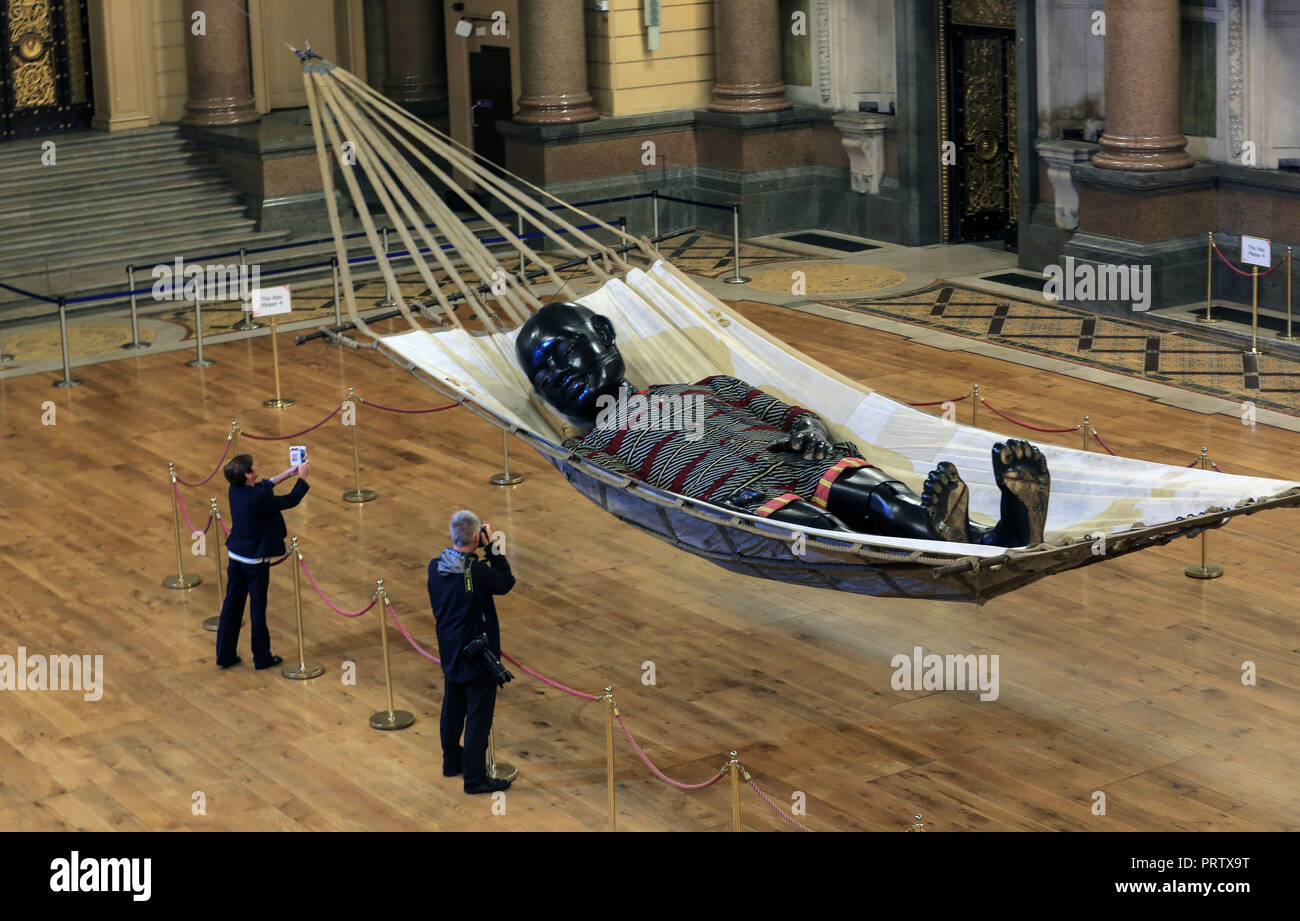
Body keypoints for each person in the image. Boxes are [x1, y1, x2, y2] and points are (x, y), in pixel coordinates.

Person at [515, 302, 1051, 547]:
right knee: (822, 535)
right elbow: (625, 491)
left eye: (565, 351)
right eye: (544, 375)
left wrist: (811, 434)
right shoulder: (597, 448)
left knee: (880, 498)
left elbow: (789, 415)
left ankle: (996, 533)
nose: (560, 375)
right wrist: (572, 451)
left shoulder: (706, 385)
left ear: (605, 335)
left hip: (791, 457)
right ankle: (955, 543)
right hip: (727, 496)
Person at [428, 510, 516, 794]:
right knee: (479, 716)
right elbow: (505, 582)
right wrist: (492, 549)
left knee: (452, 709)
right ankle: (475, 779)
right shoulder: (476, 572)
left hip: (450, 649)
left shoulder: (435, 567)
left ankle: (451, 762)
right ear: (477, 537)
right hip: (478, 655)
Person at [214, 454, 311, 670]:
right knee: (257, 608)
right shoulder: (257, 498)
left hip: (236, 555)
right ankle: (262, 656)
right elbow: (289, 500)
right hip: (255, 559)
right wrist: (302, 479)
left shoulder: (236, 489)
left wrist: (288, 473)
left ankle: (225, 655)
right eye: (254, 465)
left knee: (232, 605)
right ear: (248, 474)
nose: (258, 465)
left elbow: (263, 486)